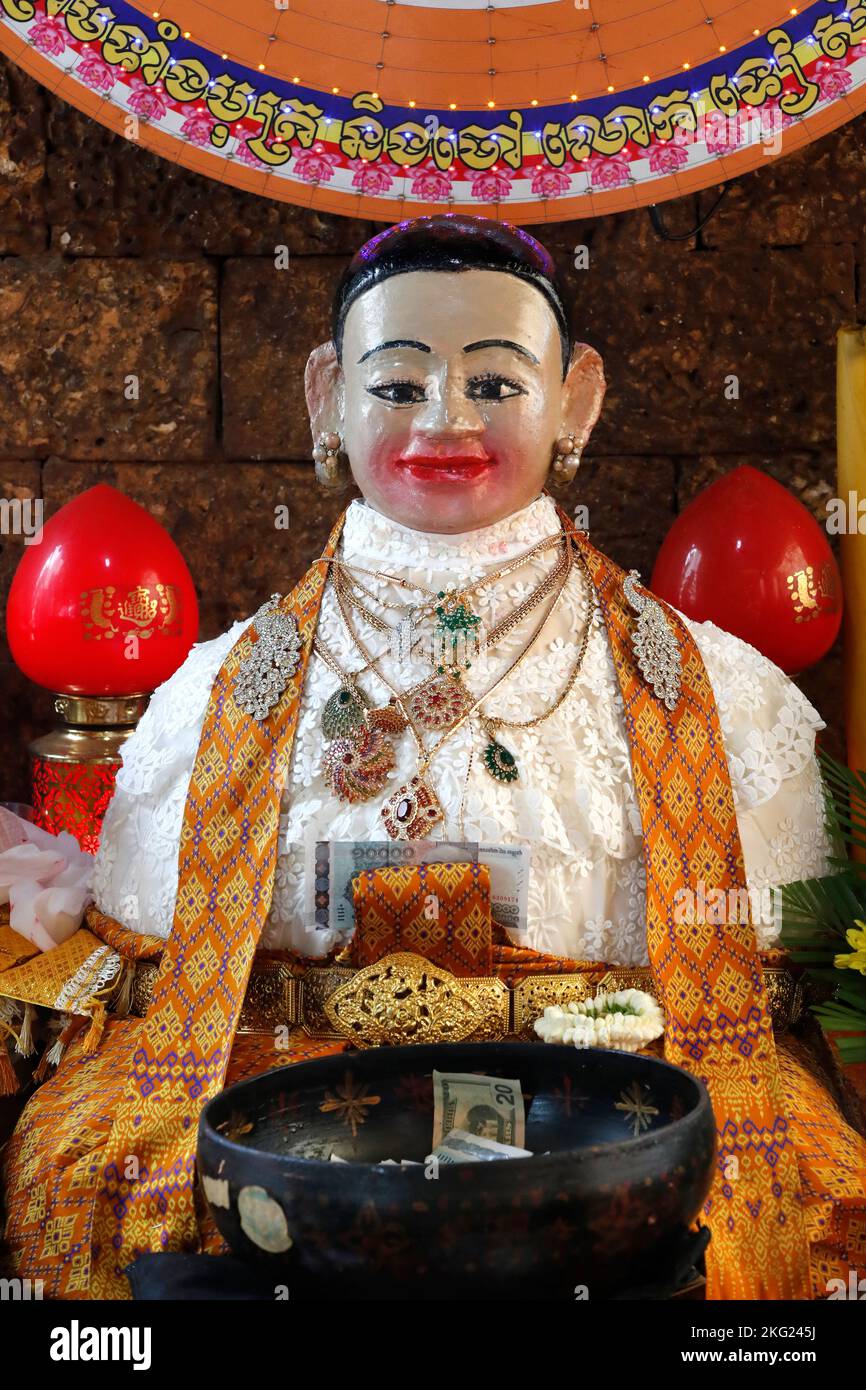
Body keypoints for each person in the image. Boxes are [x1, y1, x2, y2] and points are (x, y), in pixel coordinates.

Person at [2, 215, 863, 1301]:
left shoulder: (704, 690)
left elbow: (772, 986)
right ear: (327, 396)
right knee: (93, 1178)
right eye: (397, 385)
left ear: (576, 396)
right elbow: (152, 968)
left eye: (495, 384)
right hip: (295, 1100)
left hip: (614, 1092)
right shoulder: (221, 691)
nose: (444, 420)